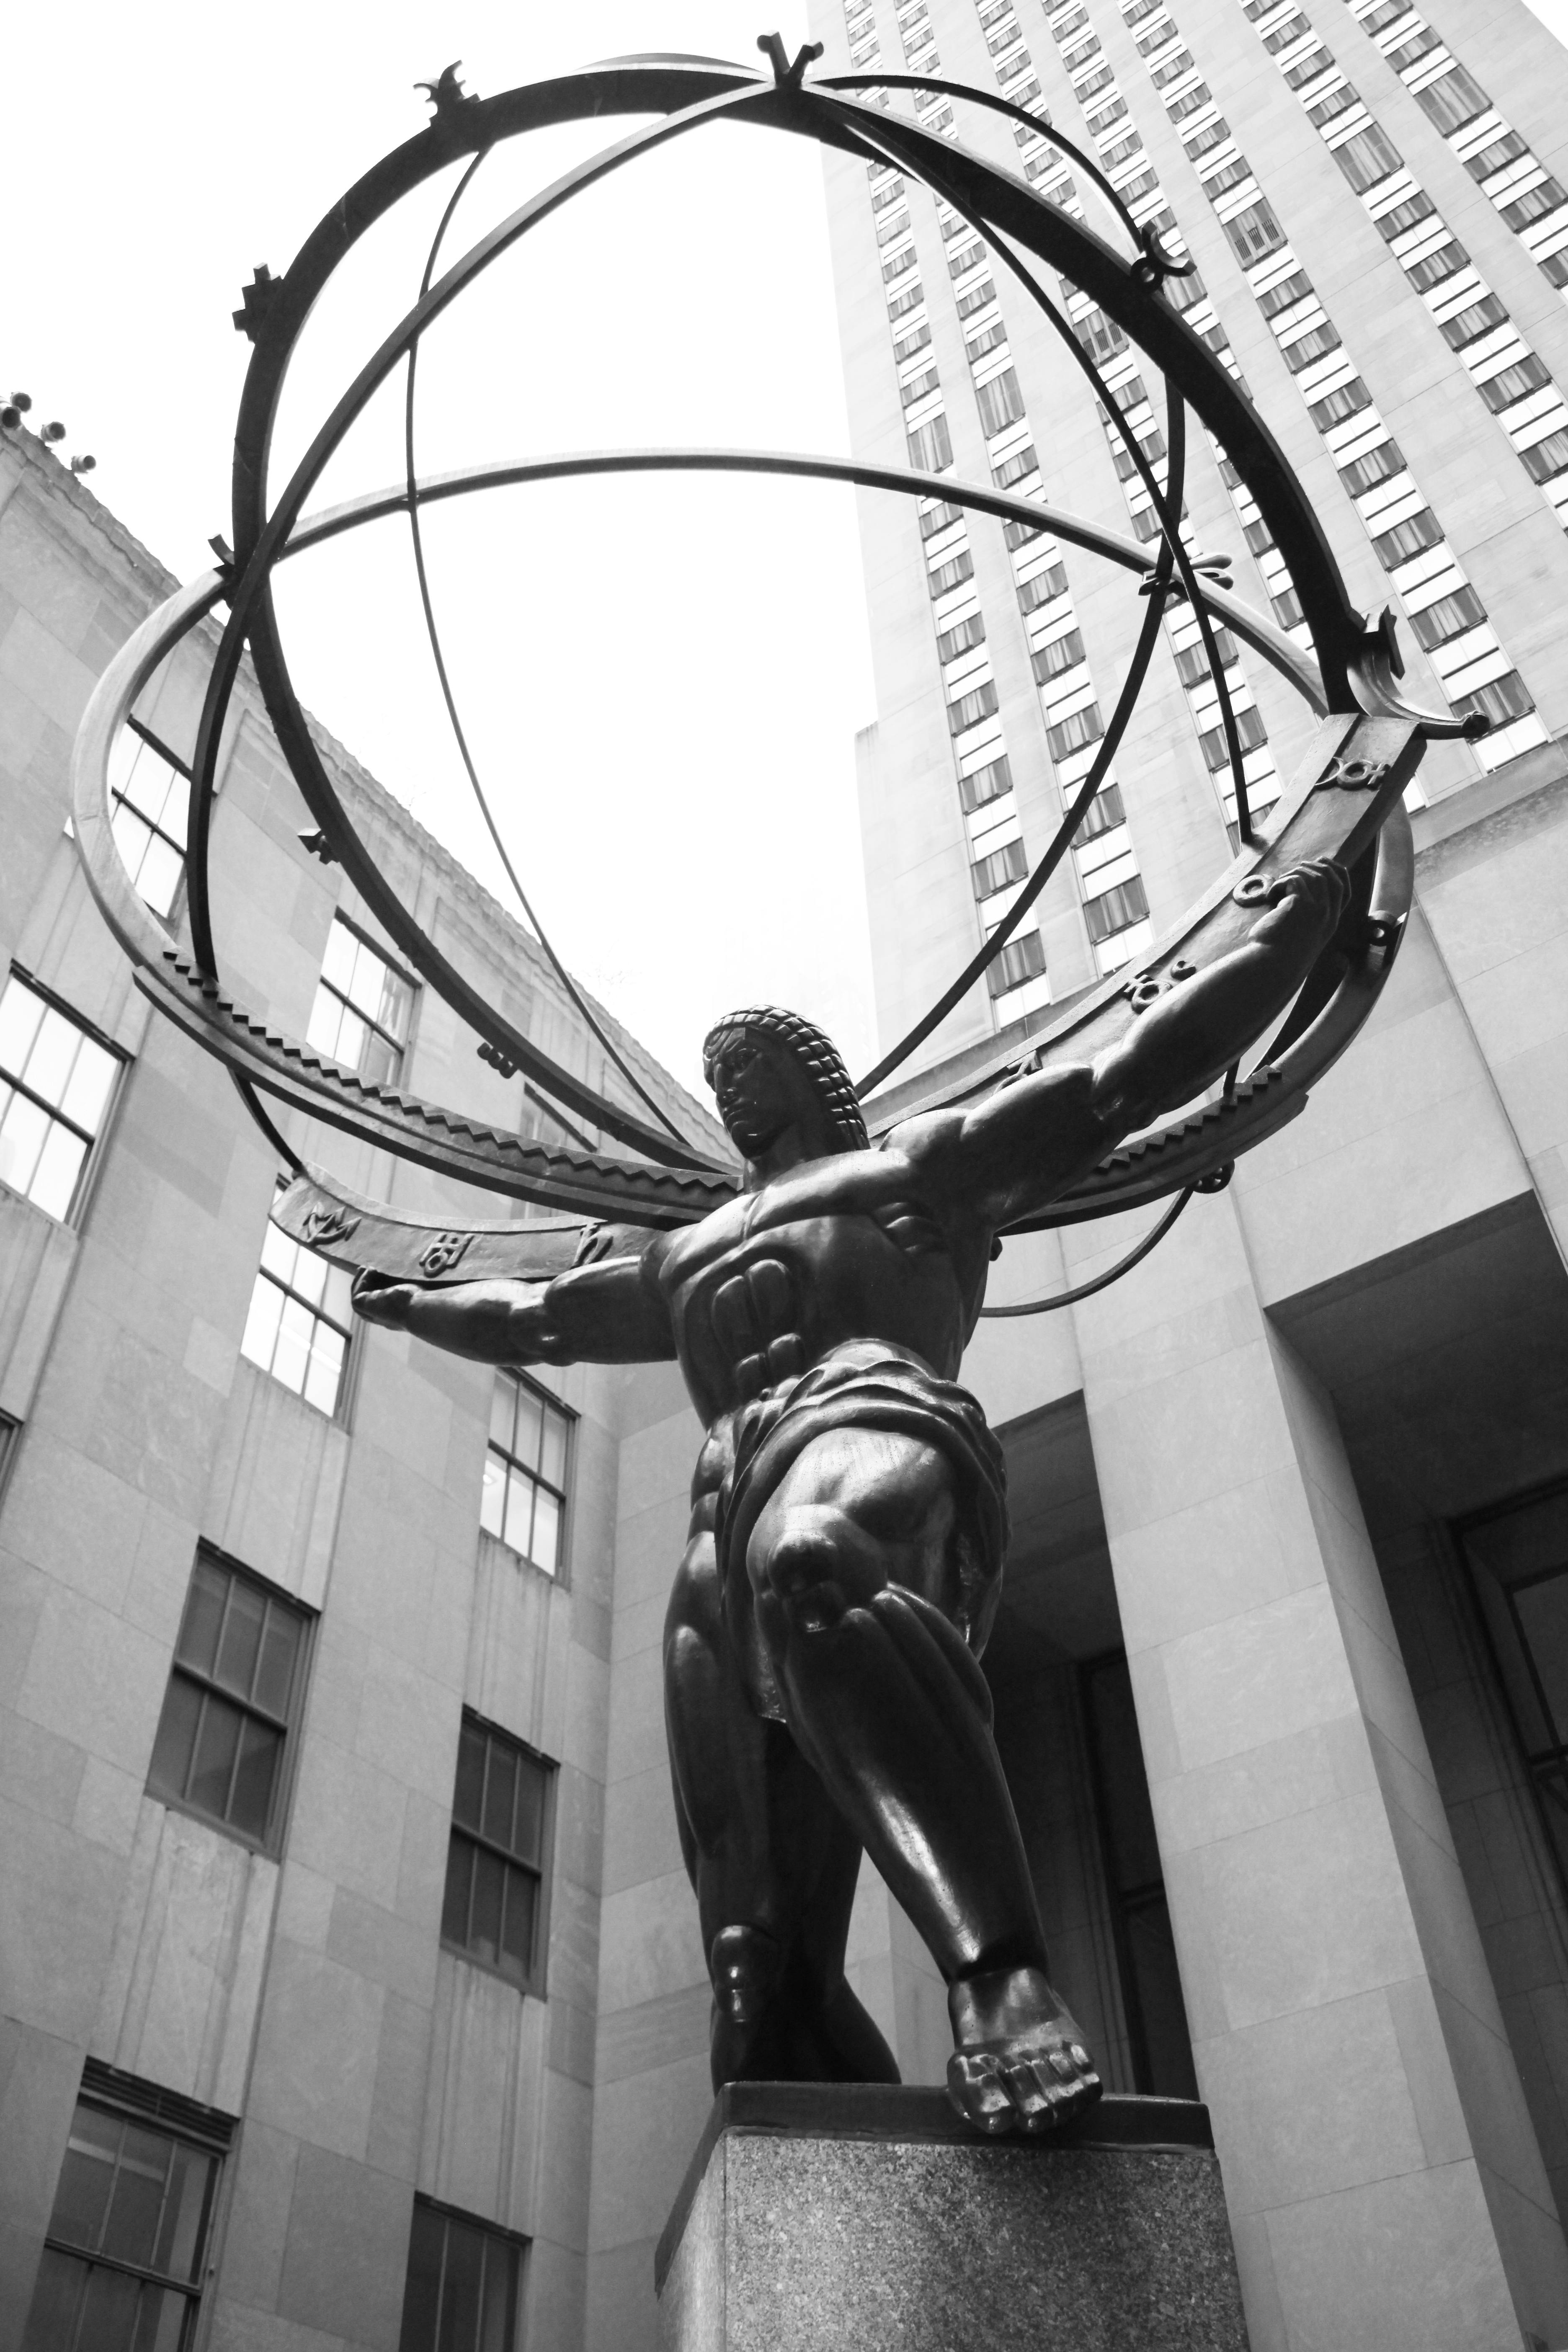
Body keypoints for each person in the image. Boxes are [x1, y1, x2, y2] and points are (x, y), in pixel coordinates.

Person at [355, 859, 1347, 2133]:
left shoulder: (919, 1173)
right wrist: (405, 1298)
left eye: (747, 1061)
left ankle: (1002, 1979)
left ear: (806, 1075)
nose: (726, 1086)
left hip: (875, 1429)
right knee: (750, 1967)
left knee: (816, 1558)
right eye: (713, 1075)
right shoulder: (685, 1254)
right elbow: (539, 1316)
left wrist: (1299, 926)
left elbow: (1124, 1079)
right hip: (725, 1510)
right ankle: (818, 2102)